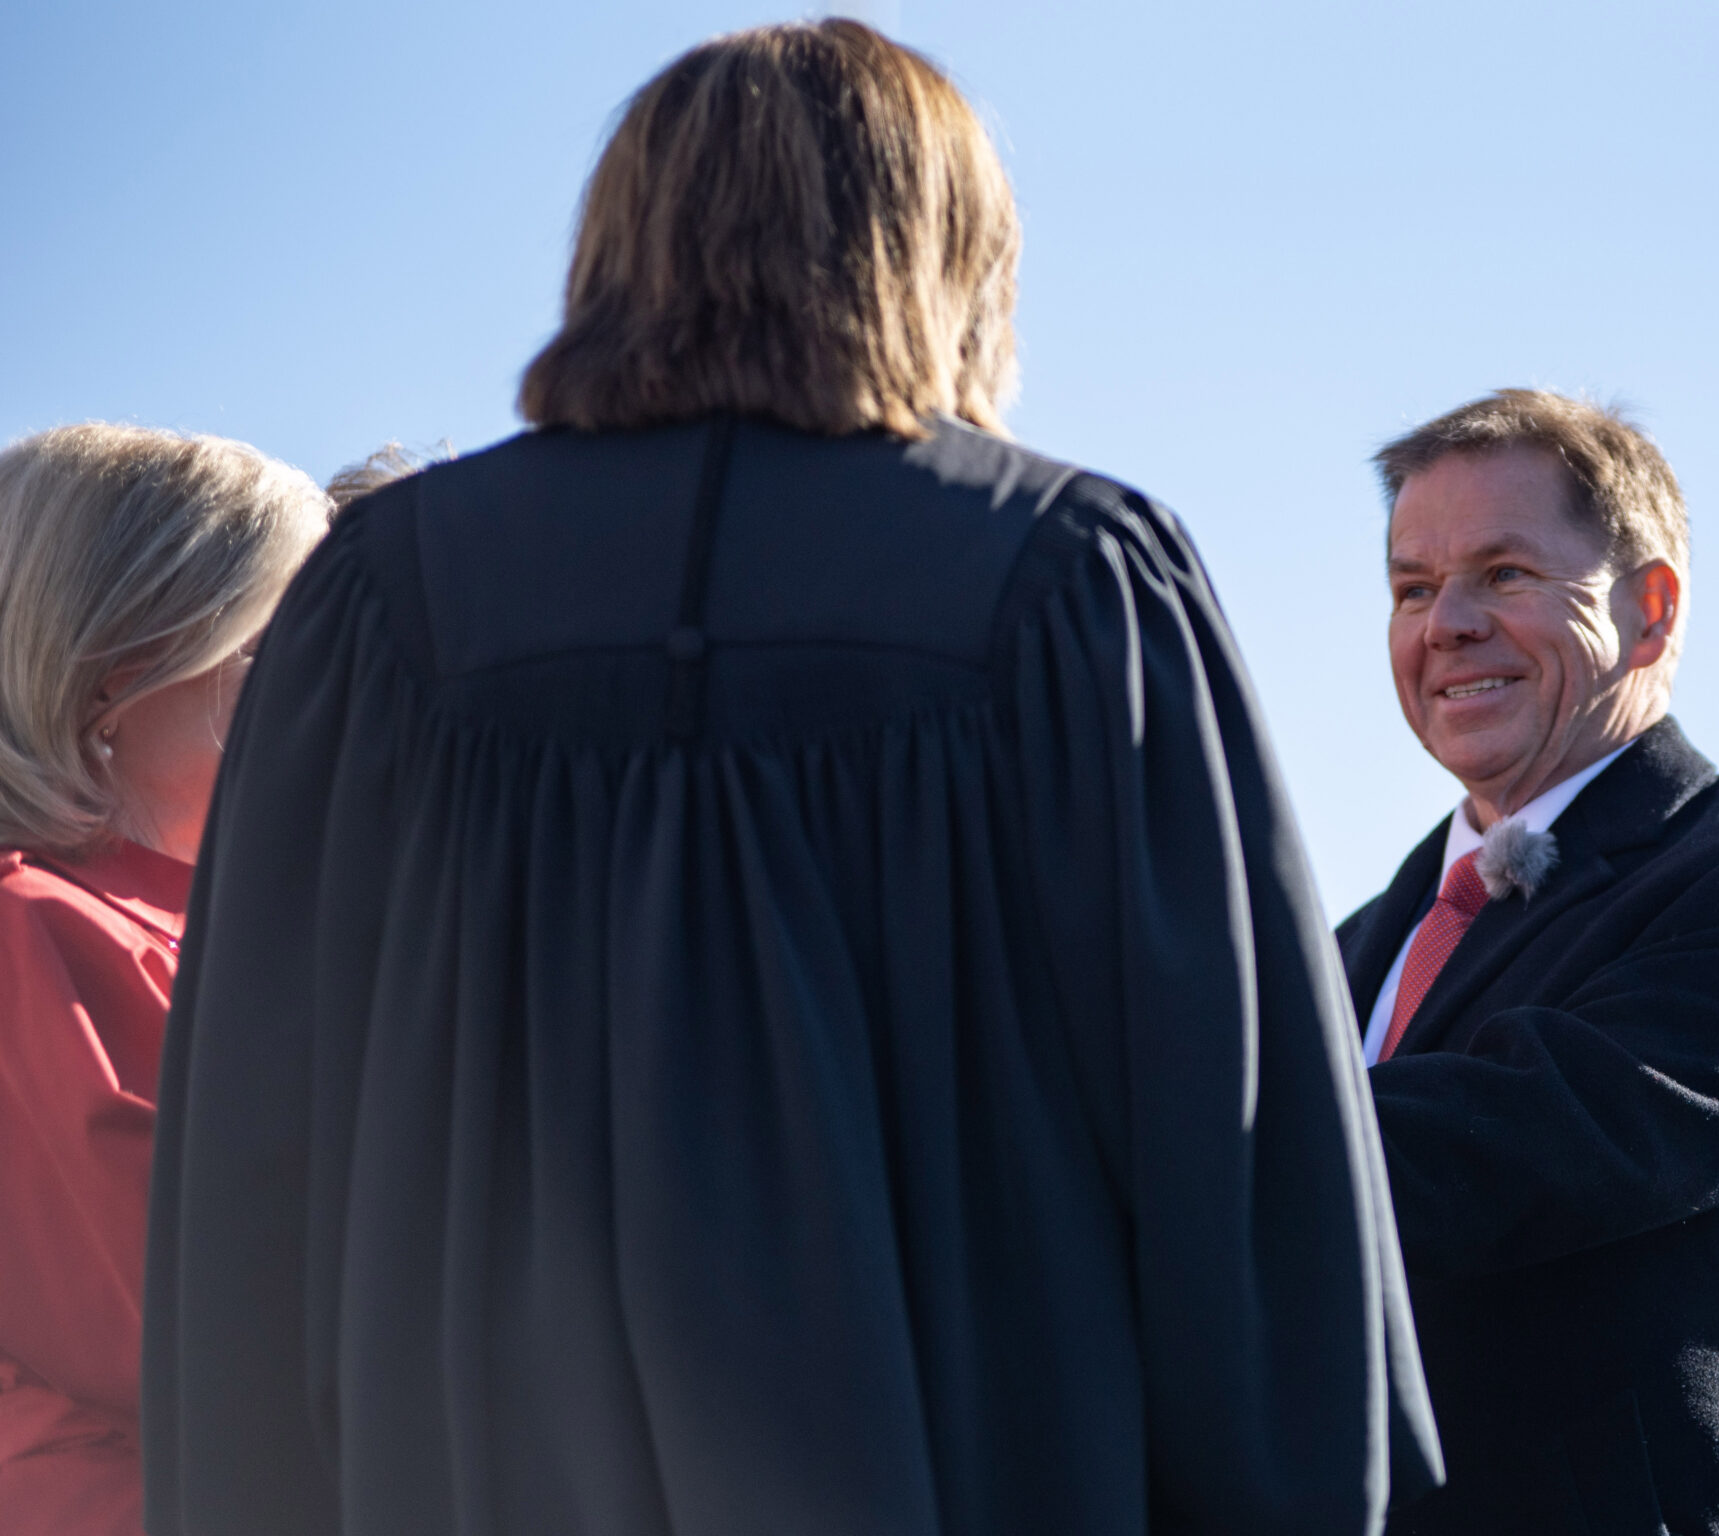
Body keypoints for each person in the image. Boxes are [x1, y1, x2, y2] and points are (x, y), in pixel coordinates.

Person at [145, 21, 1435, 1536]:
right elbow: (1235, 1153)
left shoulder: (381, 601)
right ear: (950, 255)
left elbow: (251, 1170)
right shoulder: (1071, 580)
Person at [1335, 390, 1719, 1534]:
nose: (1445, 622)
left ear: (1649, 610)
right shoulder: (1334, 960)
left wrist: (1175, 1149)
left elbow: (1555, 1132)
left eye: (1504, 573)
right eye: (1412, 587)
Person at [0, 424, 330, 1535]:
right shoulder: (33, 929)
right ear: (118, 675)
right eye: (279, 647)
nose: (327, 695)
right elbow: (225, 1326)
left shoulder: (198, 920)